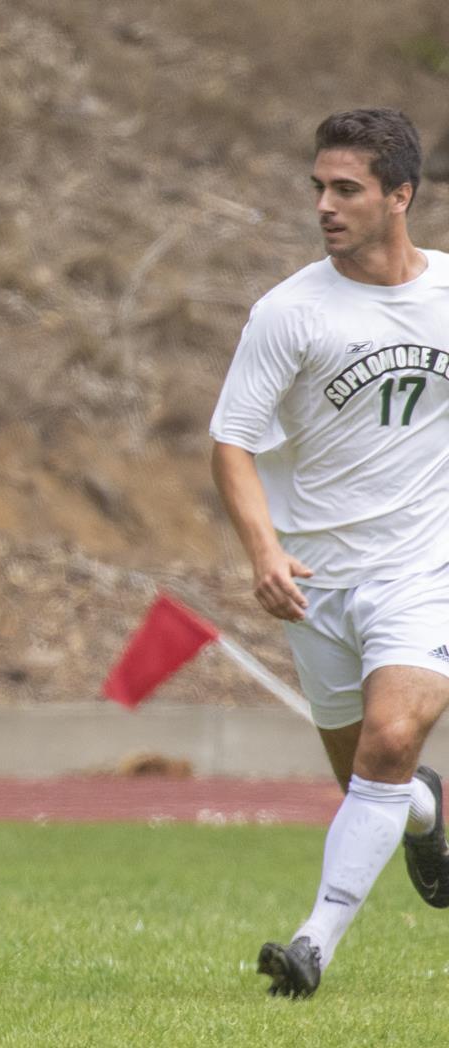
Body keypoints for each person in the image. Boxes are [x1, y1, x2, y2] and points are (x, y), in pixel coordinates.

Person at [210, 107, 449, 999]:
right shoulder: (290, 312)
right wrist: (265, 553)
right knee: (371, 777)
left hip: (425, 572)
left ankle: (312, 944)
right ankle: (424, 811)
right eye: (318, 187)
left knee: (390, 737)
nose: (325, 204)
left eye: (346, 188)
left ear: (401, 197)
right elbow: (231, 442)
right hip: (315, 581)